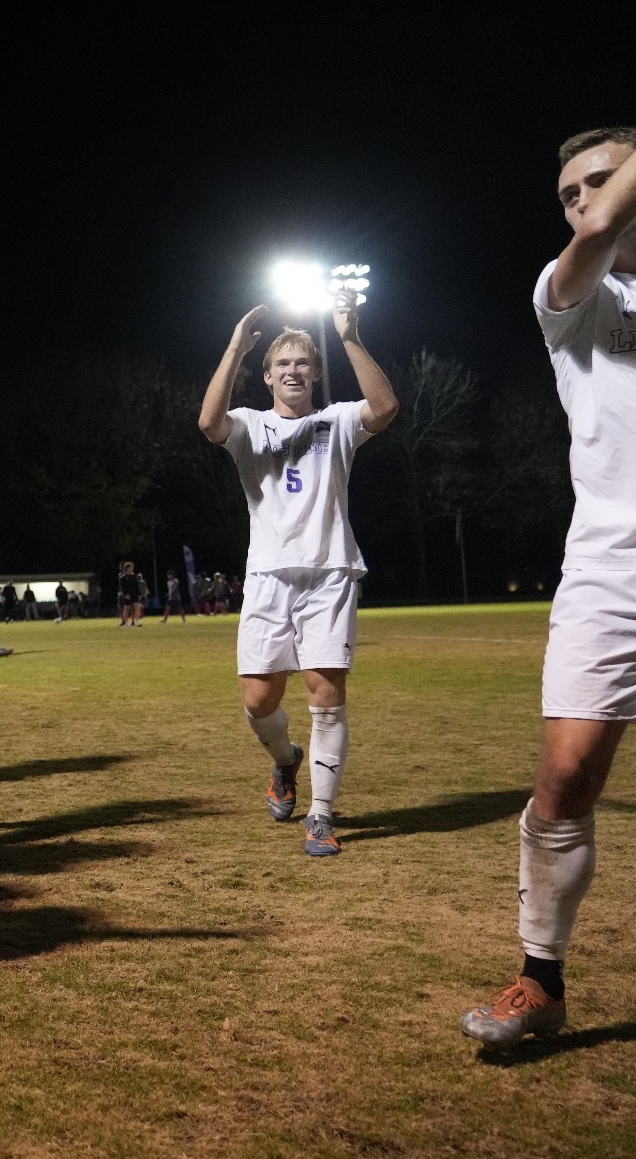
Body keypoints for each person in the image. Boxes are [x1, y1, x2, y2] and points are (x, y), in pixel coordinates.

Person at [461, 120, 636, 1044]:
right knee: (567, 775)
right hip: (612, 571)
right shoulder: (571, 295)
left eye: (601, 182)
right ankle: (542, 981)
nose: (583, 203)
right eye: (570, 192)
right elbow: (595, 236)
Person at [198, 288, 399, 859]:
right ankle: (287, 761)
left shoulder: (336, 420)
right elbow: (208, 421)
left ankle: (321, 815)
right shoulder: (249, 426)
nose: (292, 370)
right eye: (281, 364)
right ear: (266, 376)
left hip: (330, 571)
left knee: (326, 695)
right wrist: (235, 348)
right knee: (259, 700)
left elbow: (384, 409)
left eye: (301, 363)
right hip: (267, 576)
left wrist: (350, 336)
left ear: (314, 373)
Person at [116, 562, 140, 626]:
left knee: (137, 607)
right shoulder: (123, 578)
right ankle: (126, 623)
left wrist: (139, 593)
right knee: (126, 609)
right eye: (131, 568)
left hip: (134, 594)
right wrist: (126, 594)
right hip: (127, 596)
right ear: (127, 568)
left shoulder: (134, 576)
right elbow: (122, 588)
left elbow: (136, 586)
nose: (132, 569)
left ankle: (137, 621)